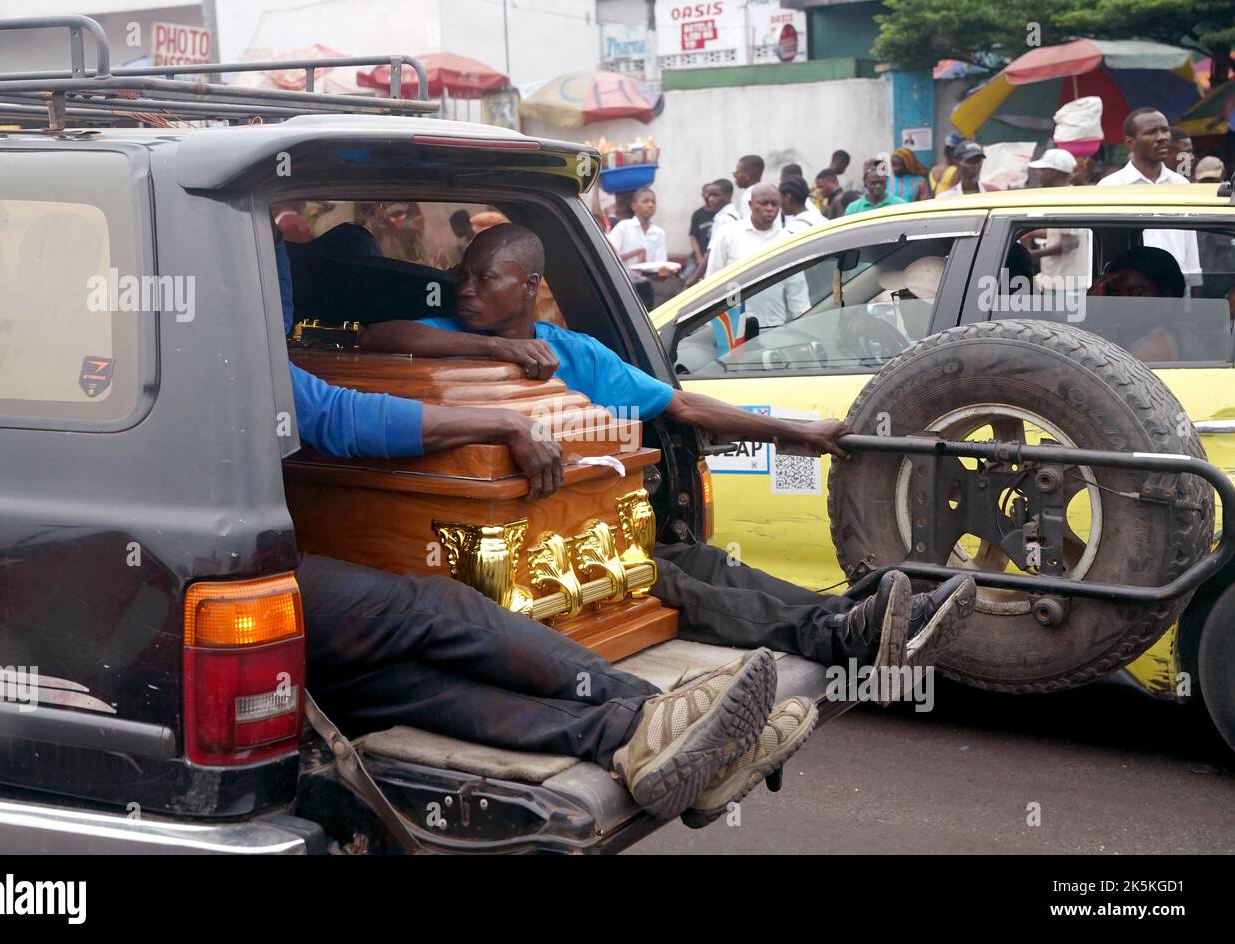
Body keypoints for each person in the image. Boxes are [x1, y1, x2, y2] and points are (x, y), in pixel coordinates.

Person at [325, 224, 978, 827]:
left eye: (481, 277)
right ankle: (825, 643)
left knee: (702, 561)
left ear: (527, 287)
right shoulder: (438, 333)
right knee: (658, 576)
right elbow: (375, 339)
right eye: (462, 274)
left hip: (579, 527)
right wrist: (495, 348)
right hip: (539, 552)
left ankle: (847, 628)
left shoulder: (575, 352)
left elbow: (682, 403)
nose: (463, 287)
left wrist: (796, 431)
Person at [1098, 109, 1200, 283]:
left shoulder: (1181, 185)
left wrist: (1195, 288)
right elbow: (1098, 247)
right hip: (1129, 290)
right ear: (1130, 142)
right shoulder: (1110, 187)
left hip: (1176, 289)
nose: (1162, 137)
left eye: (1165, 129)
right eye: (1151, 132)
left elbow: (1190, 245)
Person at [1087, 245, 1187, 360]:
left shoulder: (1154, 349)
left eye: (1136, 294)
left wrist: (1091, 316)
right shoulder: (1130, 335)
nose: (1122, 303)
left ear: (1166, 298)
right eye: (1115, 294)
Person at [1018, 148, 1090, 293]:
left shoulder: (1066, 200)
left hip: (1064, 285)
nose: (1038, 174)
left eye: (1042, 170)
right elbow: (1060, 233)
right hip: (1065, 283)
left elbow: (1070, 242)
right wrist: (1028, 231)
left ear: (1054, 172)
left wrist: (1032, 255)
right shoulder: (1068, 196)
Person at [706, 184, 788, 276]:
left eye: (774, 204)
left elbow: (795, 282)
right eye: (763, 203)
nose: (769, 208)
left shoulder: (786, 239)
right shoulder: (727, 233)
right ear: (750, 204)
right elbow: (713, 275)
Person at [607, 187, 668, 307]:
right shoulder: (623, 227)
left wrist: (661, 274)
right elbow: (609, 253)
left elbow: (660, 264)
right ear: (634, 206)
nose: (650, 205)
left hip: (645, 288)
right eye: (645, 201)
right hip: (623, 286)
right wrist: (638, 253)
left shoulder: (659, 233)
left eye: (653, 202)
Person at [686, 180, 732, 286]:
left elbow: (711, 253)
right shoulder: (731, 214)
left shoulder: (722, 219)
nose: (710, 199)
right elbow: (693, 236)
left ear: (728, 195)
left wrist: (693, 280)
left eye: (715, 195)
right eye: (708, 195)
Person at [731, 154, 766, 218]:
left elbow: (749, 225)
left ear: (747, 175)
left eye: (736, 173)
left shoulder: (749, 196)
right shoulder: (769, 192)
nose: (735, 177)